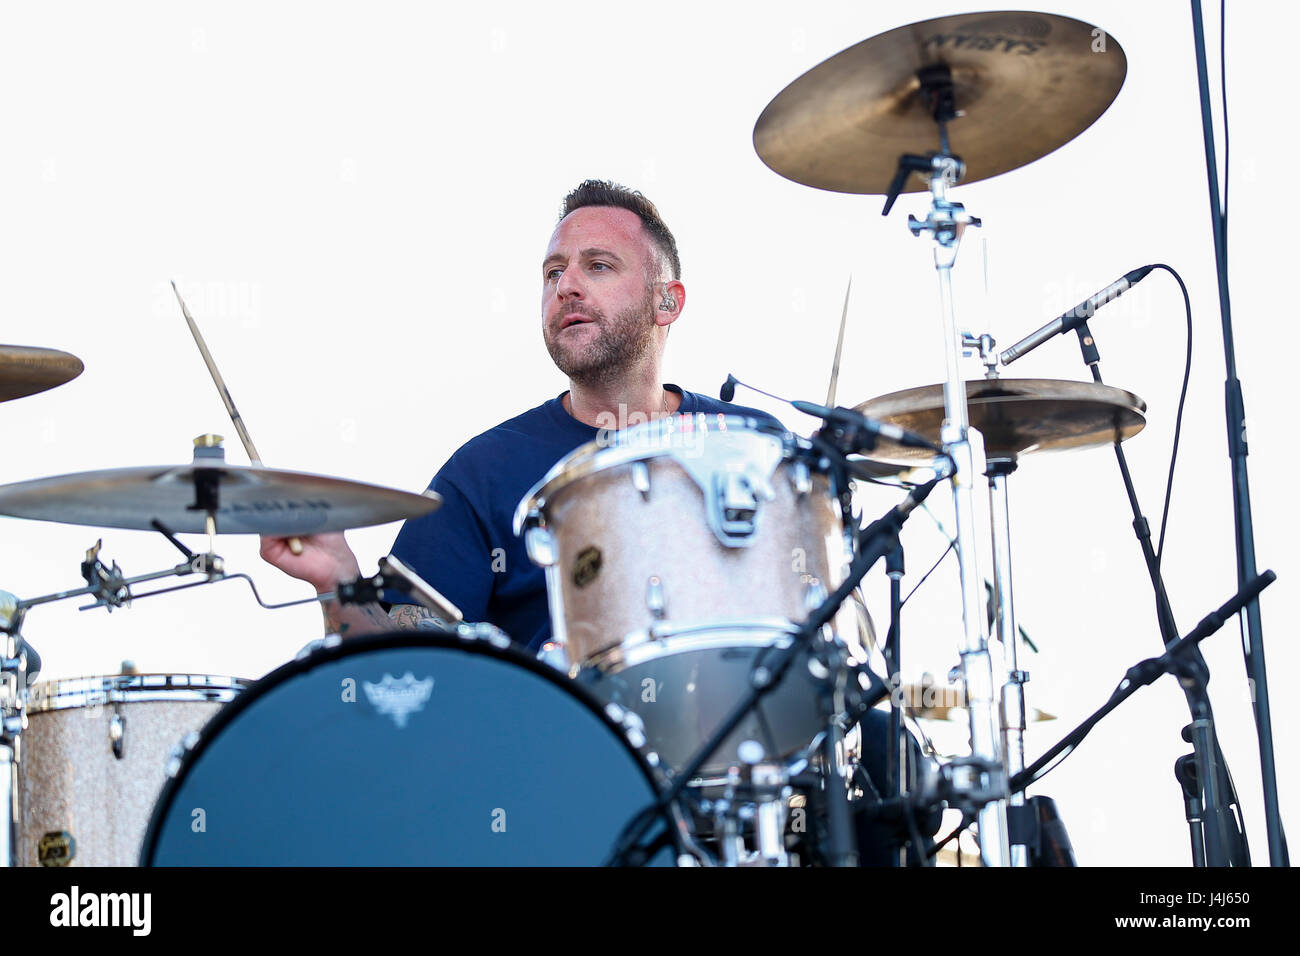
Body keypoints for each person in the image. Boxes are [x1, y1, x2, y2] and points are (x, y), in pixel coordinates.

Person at [260, 180, 771, 646]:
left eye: (598, 265)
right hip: (561, 744)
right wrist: (341, 582)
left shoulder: (752, 446)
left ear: (667, 301)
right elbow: (405, 670)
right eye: (553, 272)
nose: (565, 285)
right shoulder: (483, 473)